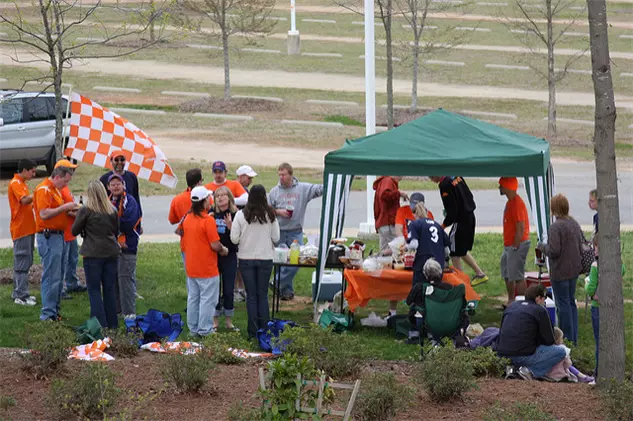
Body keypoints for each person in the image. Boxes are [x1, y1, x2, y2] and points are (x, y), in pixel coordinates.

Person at [268, 163, 323, 300]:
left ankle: (276, 282)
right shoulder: (274, 191)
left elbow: (318, 189)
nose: (281, 177)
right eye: (279, 175)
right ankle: (286, 292)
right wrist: (278, 212)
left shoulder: (302, 189)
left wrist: (330, 182)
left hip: (295, 231)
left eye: (284, 174)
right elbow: (266, 210)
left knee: (296, 260)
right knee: (282, 262)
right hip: (279, 231)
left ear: (291, 174)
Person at [231, 185, 280, 339]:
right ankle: (265, 330)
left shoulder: (240, 215)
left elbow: (234, 239)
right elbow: (276, 238)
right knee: (262, 295)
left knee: (251, 296)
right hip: (265, 258)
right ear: (264, 197)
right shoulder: (270, 214)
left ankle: (253, 332)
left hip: (246, 259)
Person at [179, 186, 228, 337]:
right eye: (208, 198)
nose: (210, 200)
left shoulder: (187, 218)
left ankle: (193, 329)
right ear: (204, 201)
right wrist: (223, 249)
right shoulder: (208, 220)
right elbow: (214, 244)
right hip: (207, 267)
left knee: (193, 298)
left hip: (191, 266)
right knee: (208, 300)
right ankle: (205, 330)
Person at [71, 180, 120, 329]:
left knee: (94, 290)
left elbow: (74, 231)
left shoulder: (86, 210)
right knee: (109, 289)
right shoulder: (112, 210)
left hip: (93, 253)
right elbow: (115, 230)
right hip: (111, 252)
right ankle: (112, 324)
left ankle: (99, 325)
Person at [33, 164, 78, 321]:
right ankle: (47, 314)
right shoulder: (43, 189)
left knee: (58, 275)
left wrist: (70, 211)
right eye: (65, 181)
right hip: (48, 236)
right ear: (57, 176)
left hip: (58, 236)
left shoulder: (55, 189)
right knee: (51, 276)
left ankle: (54, 311)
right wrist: (65, 207)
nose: (65, 185)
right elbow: (44, 214)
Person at [538, 194, 583, 345]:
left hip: (560, 271)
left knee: (562, 305)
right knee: (571, 303)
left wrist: (542, 247)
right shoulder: (574, 223)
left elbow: (554, 251)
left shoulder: (556, 227)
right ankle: (574, 338)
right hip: (574, 270)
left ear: (553, 208)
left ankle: (566, 339)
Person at [496, 284, 566, 380]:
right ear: (538, 298)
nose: (544, 301)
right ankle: (528, 371)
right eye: (544, 298)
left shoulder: (511, 306)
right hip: (524, 355)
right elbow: (549, 341)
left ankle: (512, 369)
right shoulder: (540, 310)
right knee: (561, 351)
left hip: (502, 354)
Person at [429, 176, 487, 285]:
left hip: (460, 220)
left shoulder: (444, 185)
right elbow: (469, 195)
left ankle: (461, 283)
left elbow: (452, 211)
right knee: (461, 249)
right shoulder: (456, 175)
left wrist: (443, 226)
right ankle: (480, 274)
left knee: (453, 251)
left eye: (431, 177)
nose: (431, 180)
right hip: (470, 215)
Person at [584, 236, 626, 377]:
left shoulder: (595, 267)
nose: (594, 249)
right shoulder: (619, 264)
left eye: (595, 247)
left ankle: (599, 373)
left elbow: (591, 289)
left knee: (600, 342)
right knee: (612, 340)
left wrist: (586, 284)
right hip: (613, 306)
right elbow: (623, 272)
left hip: (598, 305)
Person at [108, 173, 142, 320]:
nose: (116, 187)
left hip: (127, 246)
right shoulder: (107, 201)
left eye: (118, 184)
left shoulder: (130, 201)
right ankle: (117, 311)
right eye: (113, 184)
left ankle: (129, 314)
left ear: (123, 185)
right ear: (108, 187)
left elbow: (128, 222)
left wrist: (111, 224)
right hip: (110, 247)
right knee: (113, 279)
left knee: (125, 280)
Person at [8, 159, 38, 306]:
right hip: (21, 229)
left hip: (28, 228)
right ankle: (21, 295)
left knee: (27, 261)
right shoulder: (15, 183)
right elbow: (25, 201)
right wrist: (39, 193)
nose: (34, 173)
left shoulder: (22, 184)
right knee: (22, 262)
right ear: (24, 170)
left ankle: (20, 292)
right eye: (32, 171)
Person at [499, 177, 530, 307]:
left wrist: (515, 245)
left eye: (501, 185)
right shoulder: (510, 202)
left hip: (517, 245)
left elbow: (520, 226)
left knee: (517, 275)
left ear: (507, 187)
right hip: (509, 245)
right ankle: (511, 300)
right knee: (507, 272)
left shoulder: (517, 203)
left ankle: (523, 303)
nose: (499, 188)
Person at [55, 159, 85, 299]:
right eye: (70, 171)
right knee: (62, 263)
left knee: (72, 259)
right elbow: (62, 210)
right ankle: (60, 289)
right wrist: (77, 213)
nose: (72, 174)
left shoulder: (65, 187)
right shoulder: (57, 188)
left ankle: (72, 283)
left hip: (71, 231)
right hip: (64, 232)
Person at [212, 186, 239, 331]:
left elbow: (238, 239)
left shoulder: (236, 214)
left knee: (228, 289)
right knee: (215, 289)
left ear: (229, 198)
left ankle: (229, 321)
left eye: (223, 195)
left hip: (230, 255)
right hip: (215, 256)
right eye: (218, 196)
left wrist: (230, 227)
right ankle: (215, 320)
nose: (220, 198)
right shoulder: (212, 213)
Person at [406, 203, 450, 285]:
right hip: (438, 264)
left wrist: (405, 248)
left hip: (422, 262)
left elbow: (413, 245)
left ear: (414, 214)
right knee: (436, 289)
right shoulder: (437, 225)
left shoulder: (414, 224)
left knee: (419, 290)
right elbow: (447, 249)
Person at [99, 150, 142, 219]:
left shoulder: (132, 177)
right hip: (110, 217)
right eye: (116, 160)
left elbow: (136, 198)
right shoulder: (104, 179)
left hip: (129, 215)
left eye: (122, 160)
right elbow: (100, 201)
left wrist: (139, 218)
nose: (119, 162)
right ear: (111, 161)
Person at [373, 175, 408, 251]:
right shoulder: (388, 181)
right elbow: (385, 195)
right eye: (400, 177)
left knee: (384, 251)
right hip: (388, 223)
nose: (400, 179)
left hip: (382, 223)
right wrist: (399, 193)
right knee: (397, 248)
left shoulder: (384, 182)